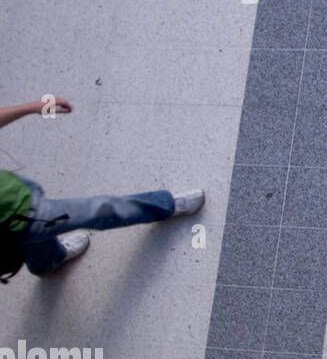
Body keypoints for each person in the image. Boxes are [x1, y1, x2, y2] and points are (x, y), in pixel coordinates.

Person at [0, 97, 204, 281]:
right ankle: (165, 205)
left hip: (14, 196)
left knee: (29, 240)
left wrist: (30, 108)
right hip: (24, 215)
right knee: (99, 210)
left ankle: (48, 263)